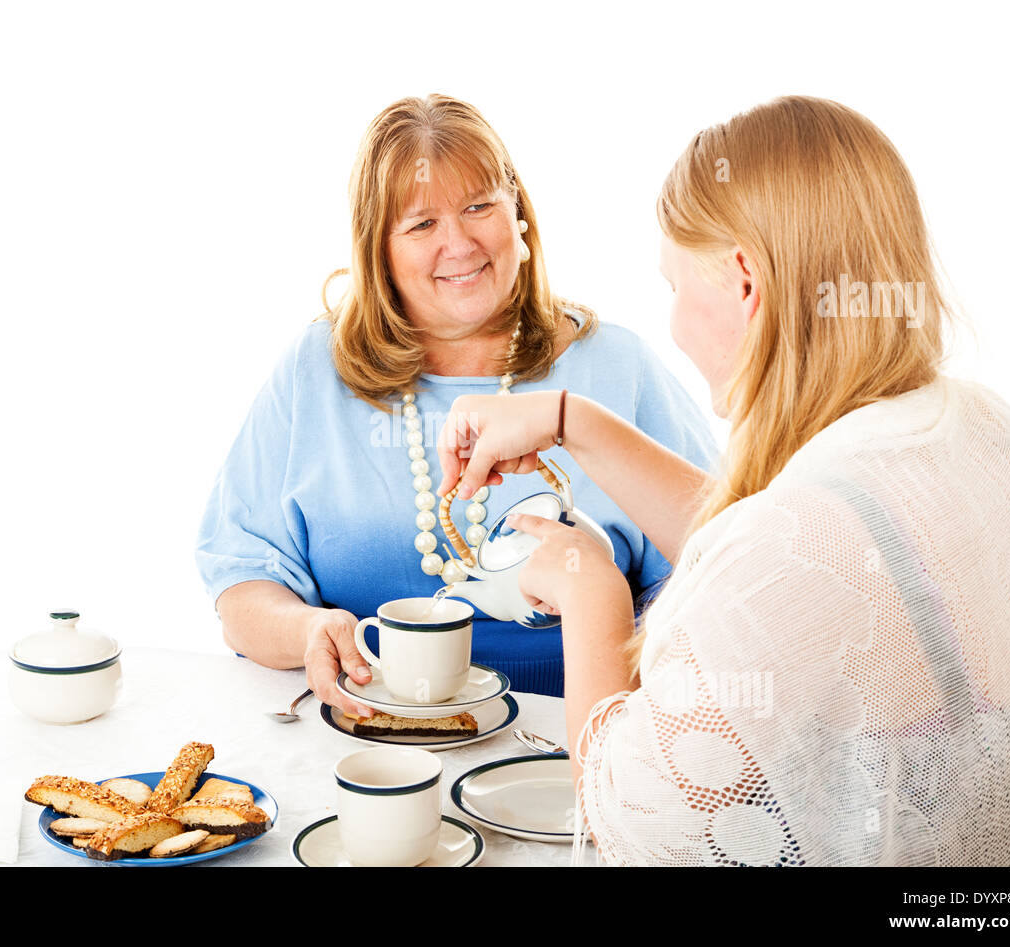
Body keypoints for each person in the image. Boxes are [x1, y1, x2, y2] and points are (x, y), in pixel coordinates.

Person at [436, 95, 1010, 865]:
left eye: (674, 285)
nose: (672, 323)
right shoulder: (981, 428)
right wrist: (572, 420)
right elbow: (790, 563)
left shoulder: (796, 543)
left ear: (744, 281)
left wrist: (587, 591)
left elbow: (627, 821)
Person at [194, 94, 718, 714]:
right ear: (378, 251)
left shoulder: (619, 367)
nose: (460, 243)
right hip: (363, 727)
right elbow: (241, 584)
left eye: (479, 207)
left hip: (574, 737)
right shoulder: (314, 370)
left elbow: (720, 567)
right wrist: (306, 631)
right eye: (421, 225)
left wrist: (621, 658)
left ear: (518, 219)